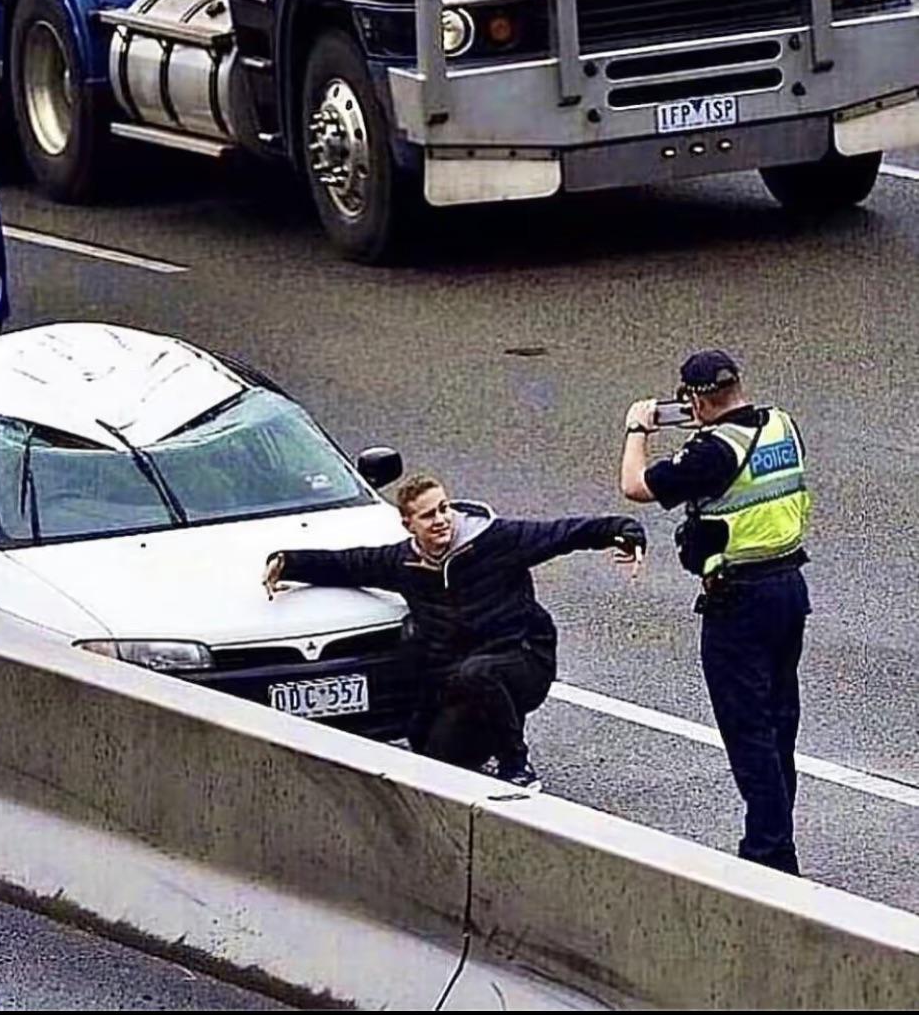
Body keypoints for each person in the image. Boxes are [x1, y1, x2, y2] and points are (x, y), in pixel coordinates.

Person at [263, 474, 647, 789]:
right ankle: (478, 737)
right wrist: (288, 562)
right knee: (434, 758)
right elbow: (351, 563)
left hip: (525, 659)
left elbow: (567, 533)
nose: (442, 520)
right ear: (409, 525)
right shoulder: (403, 562)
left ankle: (517, 765)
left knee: (479, 673)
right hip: (462, 677)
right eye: (429, 515)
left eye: (444, 508)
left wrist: (624, 532)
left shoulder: (495, 541)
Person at [619, 350, 811, 875]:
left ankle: (770, 855)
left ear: (697, 398)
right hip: (789, 587)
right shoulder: (781, 425)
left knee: (749, 731)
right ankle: (774, 834)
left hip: (739, 600)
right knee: (779, 724)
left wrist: (637, 429)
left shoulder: (713, 451)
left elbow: (635, 486)